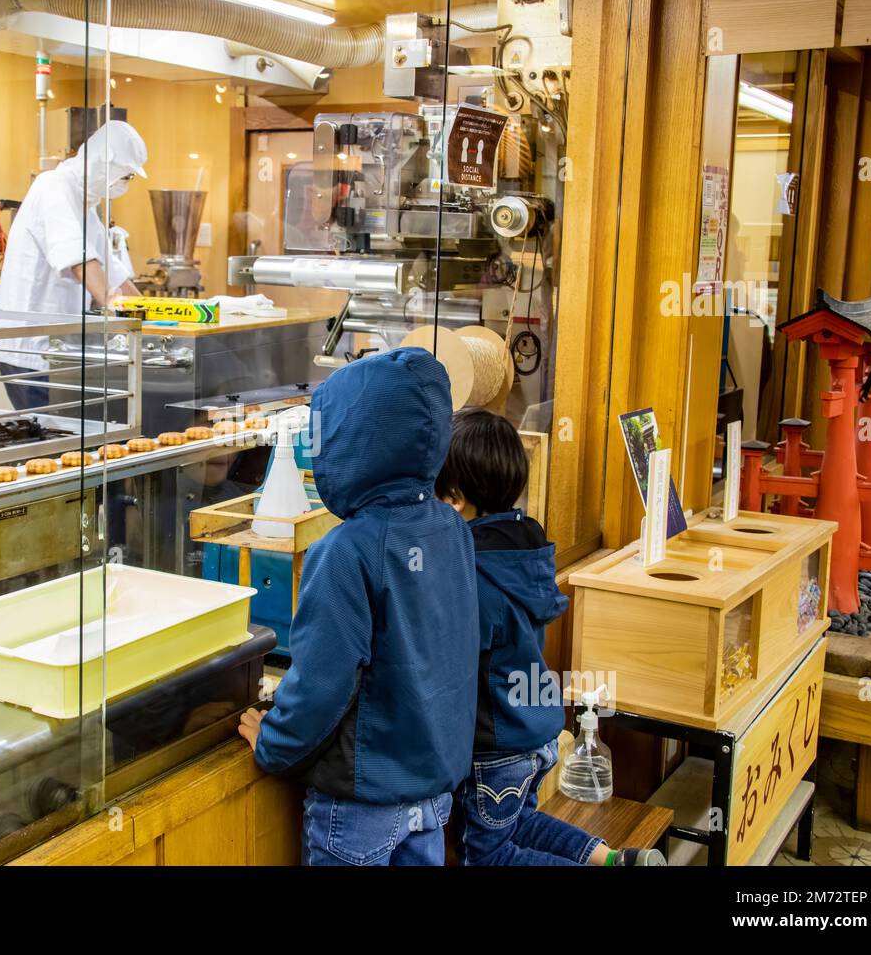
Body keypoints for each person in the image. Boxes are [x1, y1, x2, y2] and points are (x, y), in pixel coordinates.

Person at [237, 348, 480, 866]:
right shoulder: (452, 527)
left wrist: (274, 742)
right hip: (432, 793)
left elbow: (322, 684)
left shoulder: (346, 550)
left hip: (361, 803)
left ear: (350, 443)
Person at [435, 407, 664, 866]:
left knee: (489, 857)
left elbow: (449, 664)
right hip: (535, 732)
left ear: (456, 496)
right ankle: (616, 861)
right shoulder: (522, 552)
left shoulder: (474, 575)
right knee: (519, 823)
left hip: (496, 748)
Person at [0, 120, 147, 410]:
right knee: (52, 446)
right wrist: (117, 305)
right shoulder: (54, 187)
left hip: (56, 351)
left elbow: (111, 268)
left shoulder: (85, 202)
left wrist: (150, 313)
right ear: (105, 164)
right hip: (30, 353)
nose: (126, 184)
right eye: (126, 176)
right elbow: (79, 259)